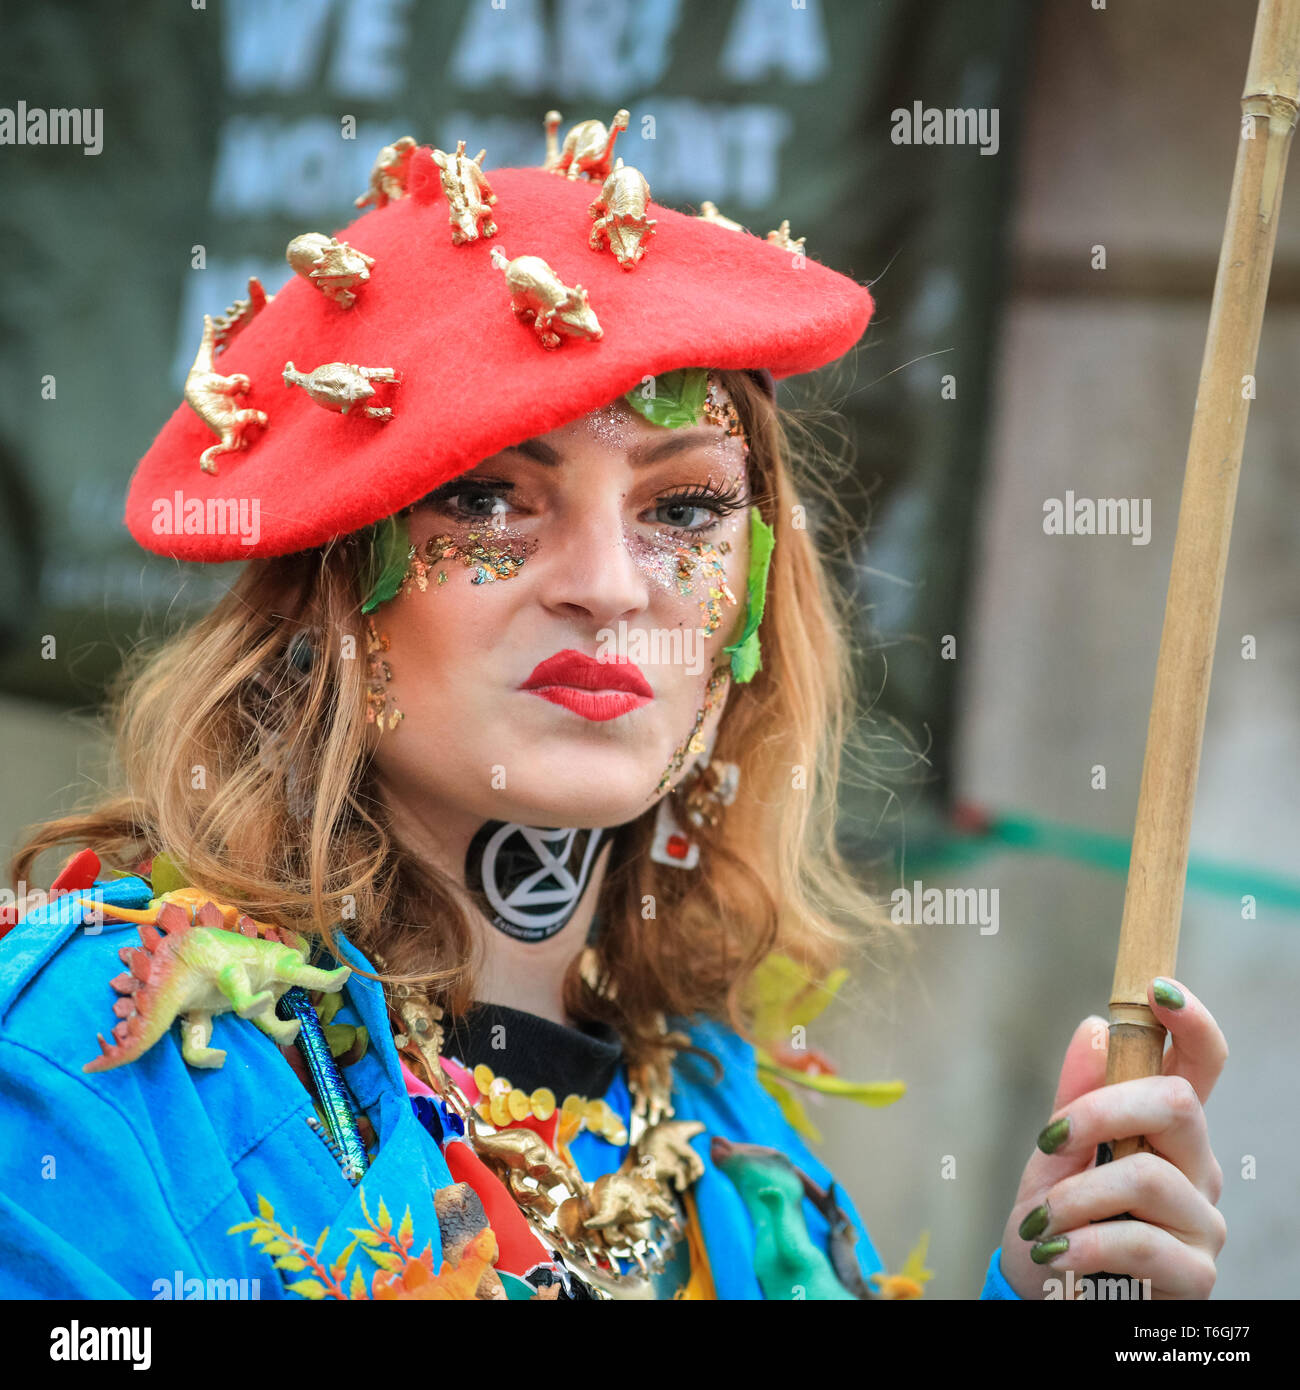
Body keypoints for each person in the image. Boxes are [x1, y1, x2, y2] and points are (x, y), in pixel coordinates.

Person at [0, 118, 1227, 1302]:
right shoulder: (94, 1062)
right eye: (488, 499)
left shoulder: (722, 1121)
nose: (608, 586)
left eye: (682, 509)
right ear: (324, 584)